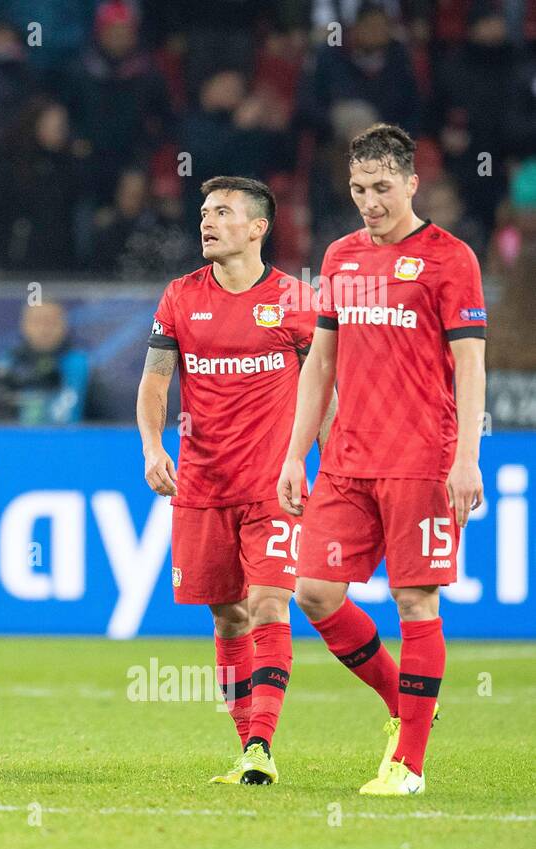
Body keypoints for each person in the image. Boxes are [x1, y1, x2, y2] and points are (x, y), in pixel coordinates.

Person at [278, 124, 487, 797]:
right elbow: (320, 365)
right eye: (359, 188)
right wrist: (293, 454)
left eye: (382, 188)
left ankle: (410, 766)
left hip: (421, 459)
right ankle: (404, 705)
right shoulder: (340, 257)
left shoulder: (451, 259)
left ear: (412, 182)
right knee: (312, 592)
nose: (369, 200)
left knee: (415, 598)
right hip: (346, 460)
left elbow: (470, 364)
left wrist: (466, 459)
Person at [137, 176, 320, 786]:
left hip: (273, 487)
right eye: (203, 212)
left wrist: (332, 459)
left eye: (221, 212)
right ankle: (248, 748)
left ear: (258, 227)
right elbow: (156, 382)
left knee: (269, 604)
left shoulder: (297, 301)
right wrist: (151, 446)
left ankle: (262, 746)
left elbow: (323, 392)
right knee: (227, 617)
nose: (206, 222)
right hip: (203, 487)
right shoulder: (180, 297)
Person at [0, 300, 90, 425]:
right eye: (38, 322)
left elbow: (106, 425)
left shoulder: (83, 367)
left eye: (52, 322)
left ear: (64, 325)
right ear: (24, 325)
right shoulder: (1, 366)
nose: (45, 329)